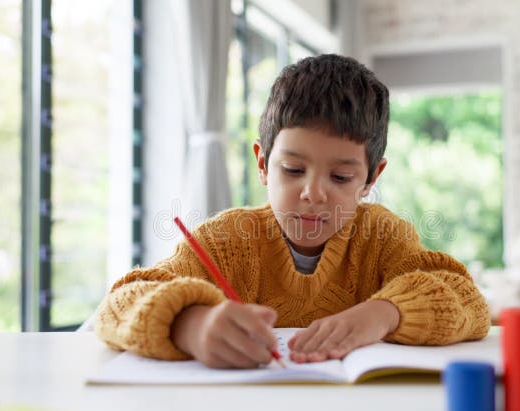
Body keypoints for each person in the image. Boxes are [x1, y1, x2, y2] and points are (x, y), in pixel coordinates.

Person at [94, 54, 490, 369]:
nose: (313, 193)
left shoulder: (384, 237)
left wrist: (384, 314)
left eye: (340, 176)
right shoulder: (225, 241)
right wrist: (190, 325)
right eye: (294, 170)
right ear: (263, 164)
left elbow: (469, 302)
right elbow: (117, 305)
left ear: (370, 178)